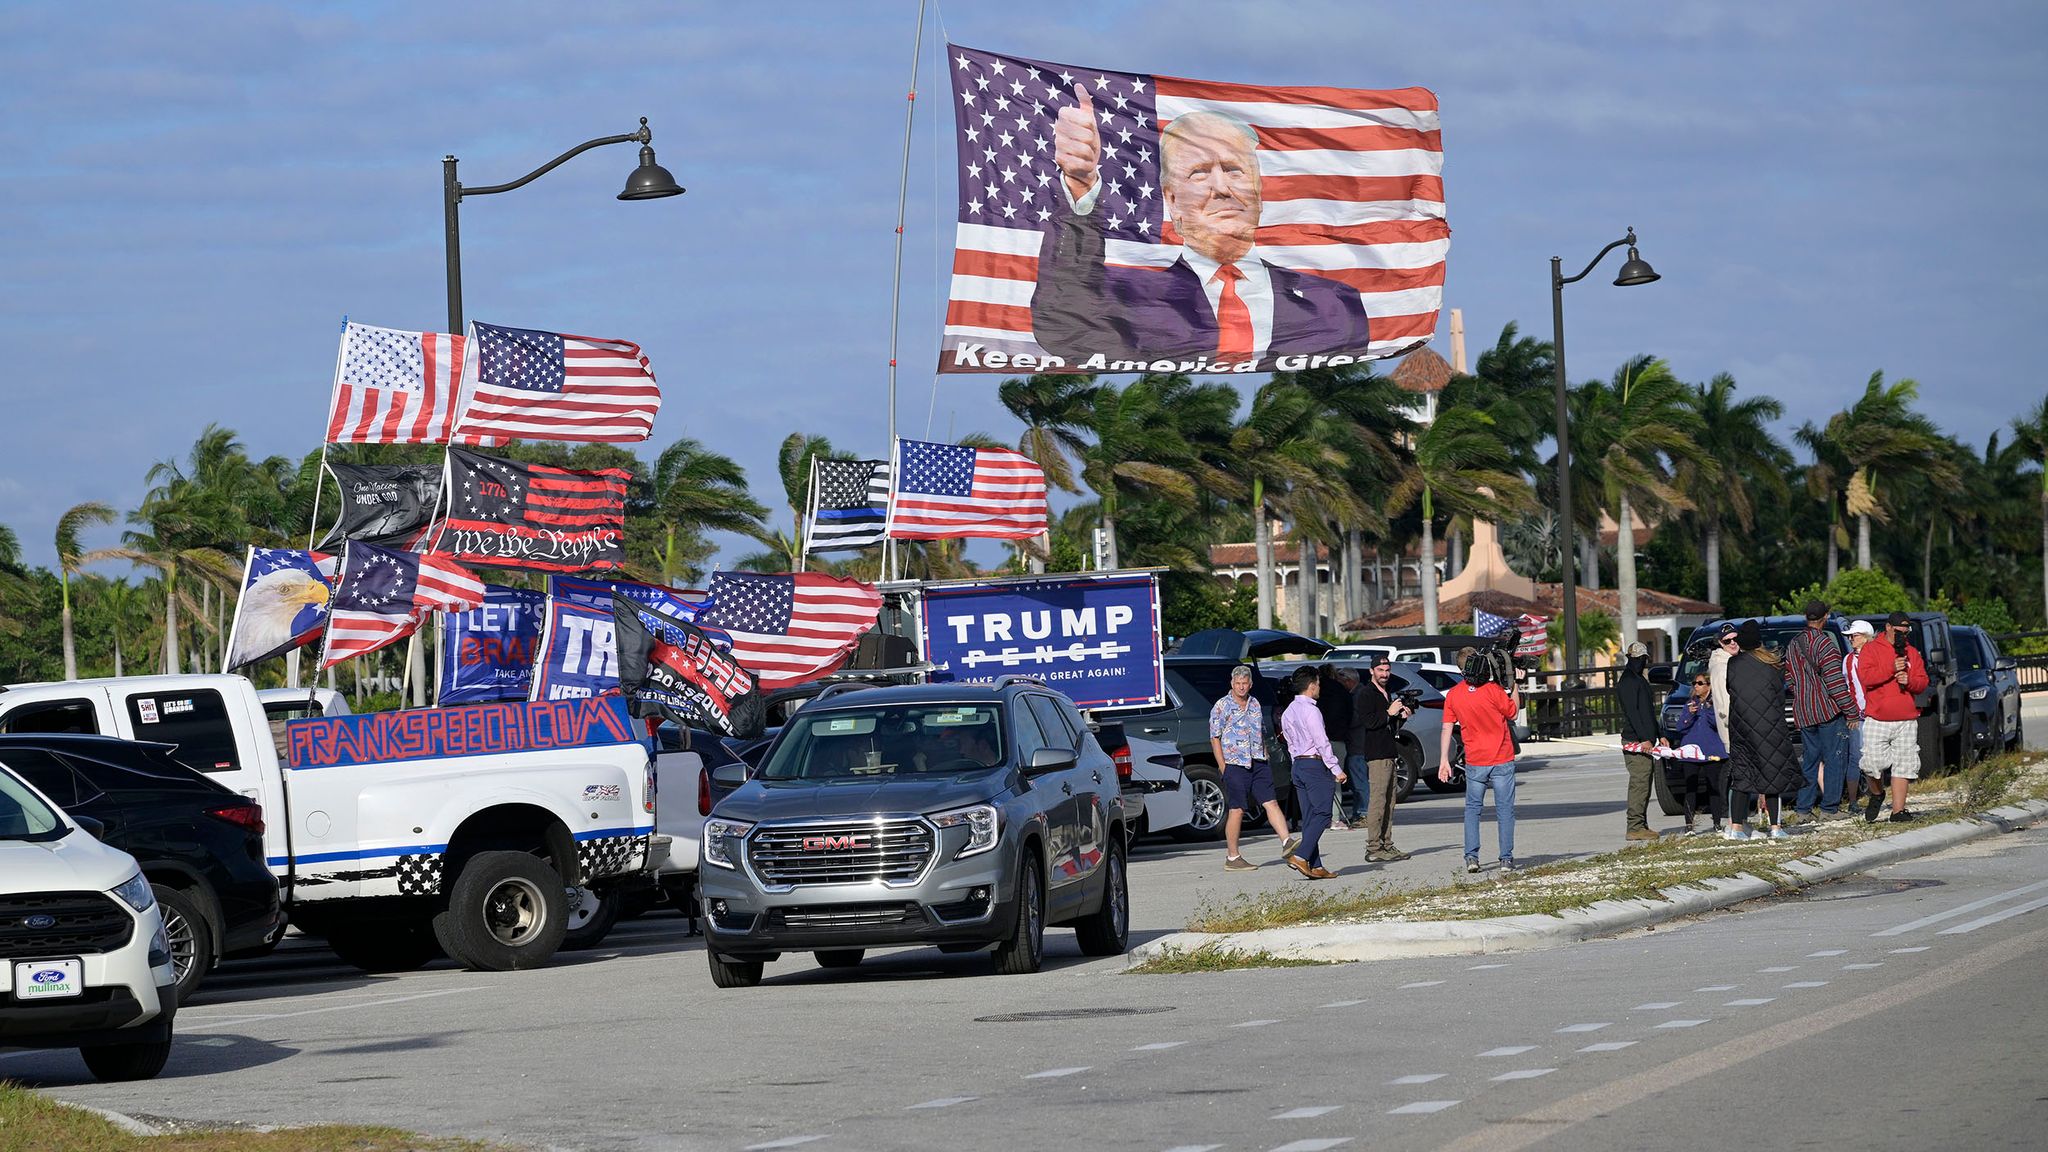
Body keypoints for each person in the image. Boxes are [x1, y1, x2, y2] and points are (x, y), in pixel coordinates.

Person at [1036, 95, 1372, 369]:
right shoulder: (1132, 303)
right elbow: (1063, 321)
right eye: (1199, 173)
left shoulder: (1334, 305)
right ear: (1171, 200)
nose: (1222, 187)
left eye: (1234, 170)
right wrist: (1080, 187)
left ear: (1258, 189)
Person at [1441, 649, 1522, 873]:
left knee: (1472, 809)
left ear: (1460, 668)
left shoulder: (1454, 695)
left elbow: (1447, 727)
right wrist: (1515, 684)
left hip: (1475, 760)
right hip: (1501, 757)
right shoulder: (1493, 690)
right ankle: (1505, 859)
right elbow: (1513, 712)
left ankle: (1471, 857)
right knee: (1505, 810)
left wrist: (1444, 761)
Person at [1208, 665, 1295, 871]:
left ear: (1250, 684)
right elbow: (1215, 737)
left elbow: (1261, 731)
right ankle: (1233, 857)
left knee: (1270, 801)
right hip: (1235, 763)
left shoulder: (1254, 703)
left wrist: (1264, 753)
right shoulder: (1221, 706)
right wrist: (1223, 767)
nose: (1241, 687)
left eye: (1244, 683)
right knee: (1237, 809)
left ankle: (1286, 842)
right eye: (1237, 683)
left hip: (1258, 761)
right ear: (1232, 683)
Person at [1786, 599, 1862, 823]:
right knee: (1835, 759)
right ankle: (1830, 808)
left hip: (1804, 710)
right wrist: (1850, 711)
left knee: (1810, 760)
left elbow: (1789, 678)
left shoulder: (1793, 644)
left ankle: (1803, 809)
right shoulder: (1825, 645)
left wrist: (1803, 692)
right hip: (1827, 711)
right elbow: (1835, 682)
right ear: (1825, 617)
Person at [1724, 620, 1802, 840]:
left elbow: (1730, 690)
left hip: (1741, 727)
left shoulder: (1734, 664)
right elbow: (1779, 695)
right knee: (1772, 776)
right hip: (1770, 726)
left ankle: (1736, 828)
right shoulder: (1773, 663)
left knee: (1742, 775)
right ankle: (1776, 827)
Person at [1856, 611, 1929, 823]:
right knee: (1871, 763)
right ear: (1888, 627)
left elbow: (1922, 681)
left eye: (1906, 633)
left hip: (1906, 718)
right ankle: (1877, 793)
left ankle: (1898, 812)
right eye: (1899, 632)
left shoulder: (1912, 653)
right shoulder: (1870, 650)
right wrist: (1891, 668)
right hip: (1877, 718)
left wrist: (1910, 681)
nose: (1902, 636)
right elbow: (1866, 678)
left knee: (1904, 764)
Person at [1279, 666, 1345, 879]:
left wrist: (1295, 764)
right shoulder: (1311, 710)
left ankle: (1315, 864)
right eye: (1318, 683)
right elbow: (1321, 741)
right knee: (1323, 813)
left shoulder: (1289, 710)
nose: (1319, 688)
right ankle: (1301, 855)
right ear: (1312, 685)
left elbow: (1289, 742)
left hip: (1298, 764)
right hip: (1314, 764)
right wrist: (1335, 768)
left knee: (1309, 817)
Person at [1347, 655, 1412, 861]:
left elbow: (1387, 724)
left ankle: (1386, 844)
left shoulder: (1387, 692)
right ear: (1372, 671)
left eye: (1387, 670)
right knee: (1378, 801)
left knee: (1390, 802)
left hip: (1390, 751)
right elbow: (1369, 722)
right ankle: (1374, 848)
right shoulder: (1366, 693)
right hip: (1376, 754)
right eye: (1380, 670)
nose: (1384, 674)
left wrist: (1400, 717)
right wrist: (1389, 713)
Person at [1661, 671, 1728, 834]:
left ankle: (1717, 823)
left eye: (1700, 683)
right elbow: (1680, 728)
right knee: (1690, 787)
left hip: (1712, 751)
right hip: (1691, 752)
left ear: (1709, 686)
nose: (1696, 687)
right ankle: (1689, 824)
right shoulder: (1690, 703)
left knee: (1714, 787)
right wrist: (1689, 715)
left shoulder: (1716, 703)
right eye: (1694, 684)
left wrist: (1710, 710)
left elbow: (1717, 724)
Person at [1618, 641, 1662, 842]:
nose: (1640, 663)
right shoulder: (1628, 681)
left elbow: (1648, 713)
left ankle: (1641, 824)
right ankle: (1634, 826)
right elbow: (1633, 713)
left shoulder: (1640, 680)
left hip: (1647, 741)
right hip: (1635, 741)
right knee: (1639, 783)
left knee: (1645, 782)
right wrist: (1644, 738)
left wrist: (1660, 735)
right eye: (1638, 660)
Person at [1842, 620, 1876, 807]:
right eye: (1850, 636)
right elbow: (1847, 687)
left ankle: (1875, 796)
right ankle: (1853, 801)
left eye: (1854, 636)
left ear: (1866, 637)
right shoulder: (1847, 660)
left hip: (1875, 714)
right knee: (1855, 757)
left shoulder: (1876, 657)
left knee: (1875, 757)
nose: (1850, 639)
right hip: (1856, 716)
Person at [1319, 665, 1355, 822]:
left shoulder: (1316, 691)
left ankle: (1321, 816)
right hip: (1339, 738)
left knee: (1318, 780)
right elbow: (1350, 713)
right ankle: (1335, 817)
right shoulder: (1341, 691)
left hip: (1319, 741)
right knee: (1337, 778)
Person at [1709, 621, 1737, 750]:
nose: (1733, 642)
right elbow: (1723, 706)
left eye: (1735, 638)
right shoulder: (1721, 668)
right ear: (1720, 643)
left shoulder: (1733, 661)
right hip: (1733, 734)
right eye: (1727, 641)